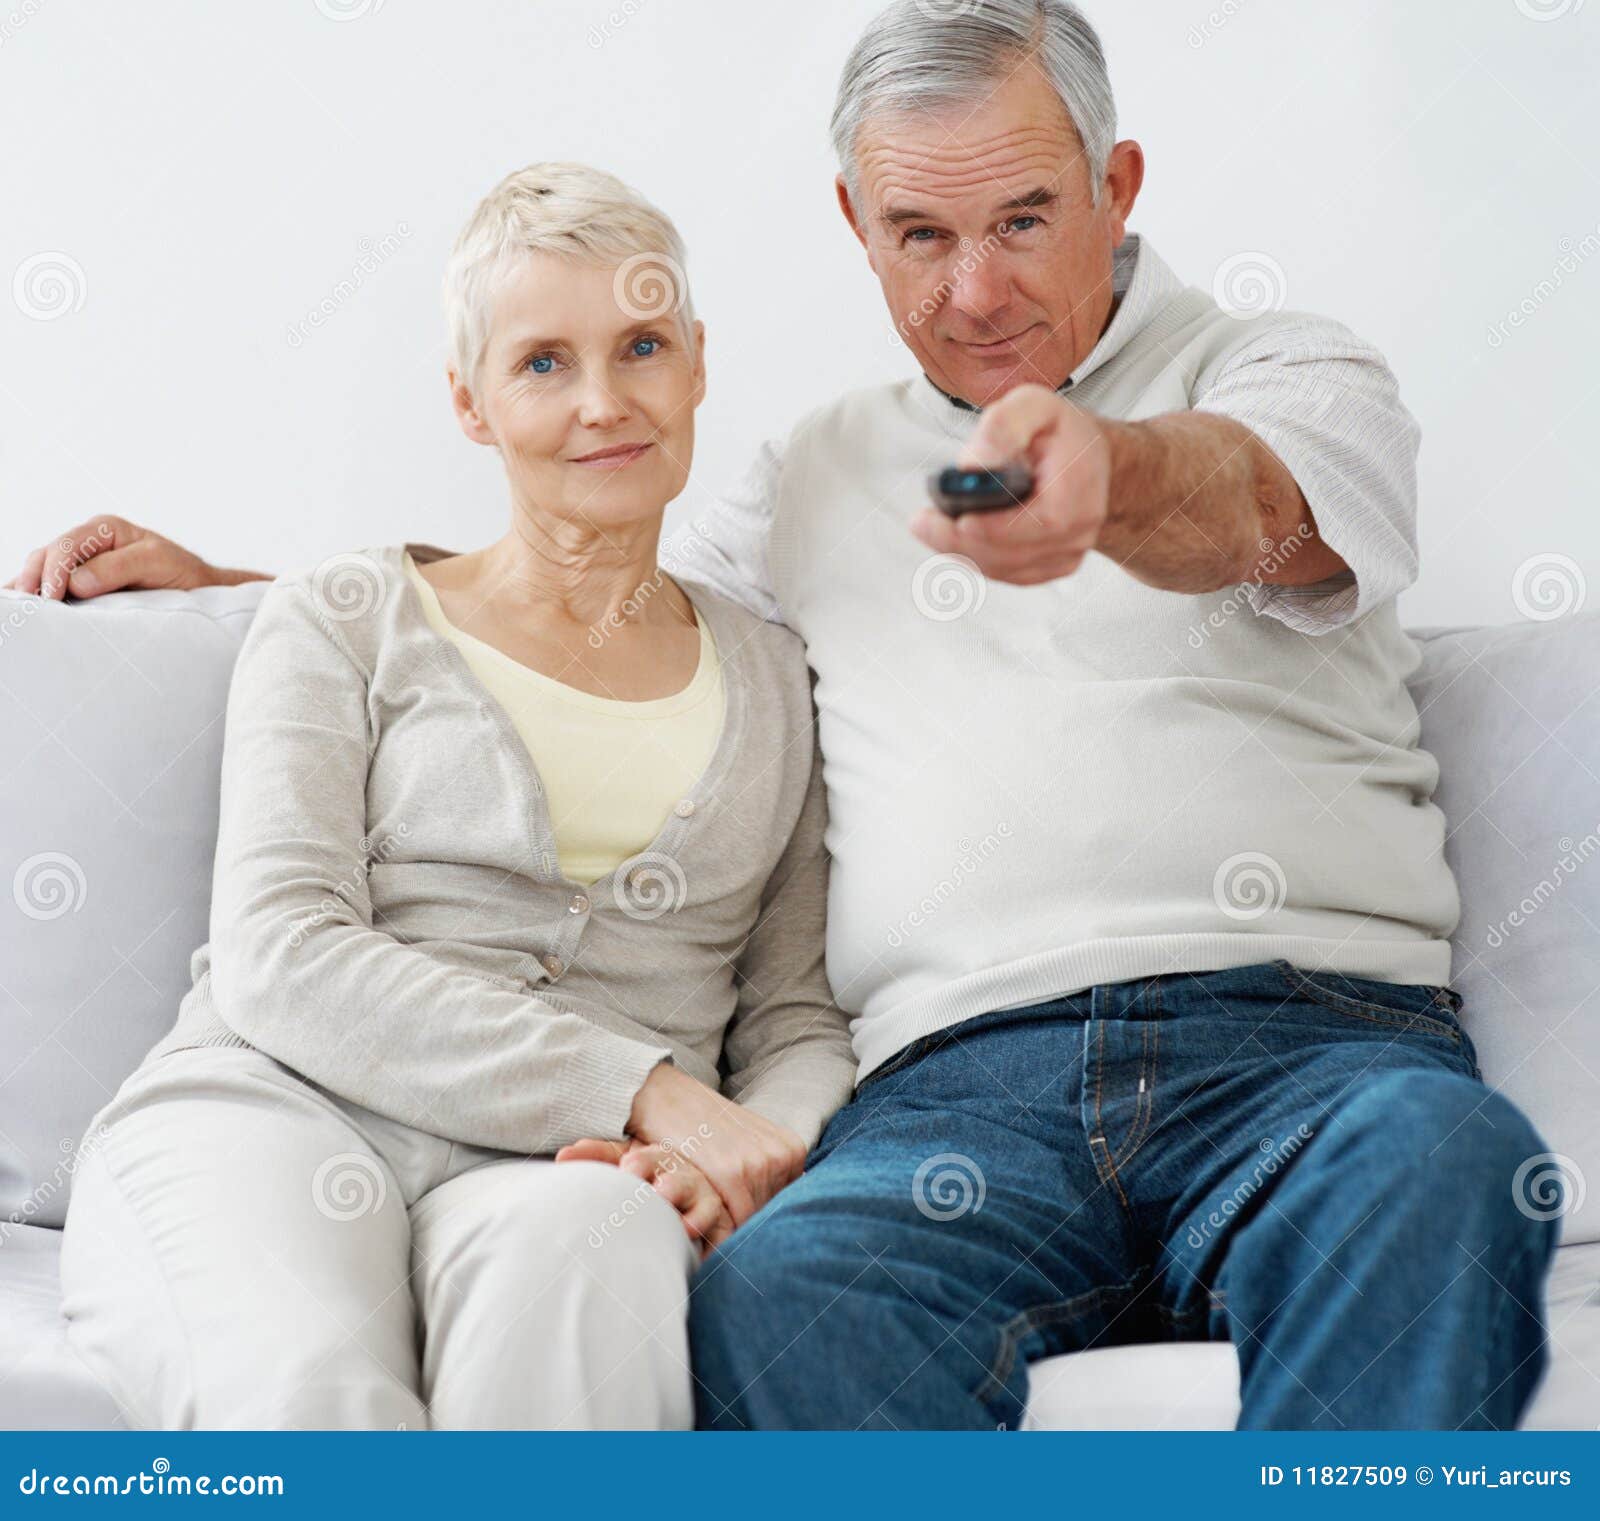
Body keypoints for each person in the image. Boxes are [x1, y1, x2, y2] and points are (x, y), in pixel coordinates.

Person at [19, 1, 1558, 1430]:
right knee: (786, 1299)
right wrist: (252, 591)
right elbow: (577, 612)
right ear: (854, 228)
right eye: (921, 233)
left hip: (1307, 1050)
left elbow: (1255, 507)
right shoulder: (811, 474)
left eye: (1025, 218)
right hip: (955, 1083)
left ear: (1119, 182)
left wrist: (1111, 477)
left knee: (1441, 1170)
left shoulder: (1291, 371)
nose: (976, 290)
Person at [52, 162, 856, 1431]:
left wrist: (747, 1147)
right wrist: (651, 1090)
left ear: (698, 361)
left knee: (591, 1261)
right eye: (542, 362)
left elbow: (798, 1015)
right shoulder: (340, 618)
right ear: (469, 404)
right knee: (312, 1393)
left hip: (561, 1171)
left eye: (641, 345)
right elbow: (282, 956)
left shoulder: (775, 683)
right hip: (275, 1109)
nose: (603, 403)